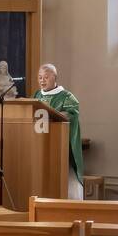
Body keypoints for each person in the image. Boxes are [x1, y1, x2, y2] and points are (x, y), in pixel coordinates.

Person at [34, 63, 85, 200]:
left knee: (63, 173)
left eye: (46, 77)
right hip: (40, 142)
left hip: (60, 144)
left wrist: (55, 115)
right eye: (40, 77)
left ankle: (67, 202)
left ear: (55, 78)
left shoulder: (67, 97)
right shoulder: (37, 95)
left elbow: (72, 115)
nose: (42, 81)